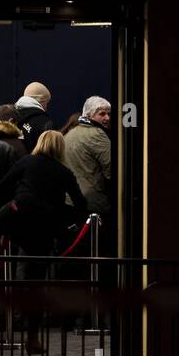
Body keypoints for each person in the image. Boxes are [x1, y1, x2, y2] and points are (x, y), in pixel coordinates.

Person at [0, 131, 89, 352]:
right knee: (36, 282)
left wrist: (11, 205)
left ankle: (2, 319)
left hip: (17, 220)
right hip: (43, 229)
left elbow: (1, 188)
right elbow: (81, 205)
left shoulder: (26, 162)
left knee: (4, 269)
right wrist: (63, 215)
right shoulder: (64, 172)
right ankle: (32, 336)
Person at [63, 96, 114, 251]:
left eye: (109, 114)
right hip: (93, 205)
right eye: (102, 114)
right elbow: (112, 171)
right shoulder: (98, 135)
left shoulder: (69, 134)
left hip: (70, 202)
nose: (107, 118)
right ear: (89, 116)